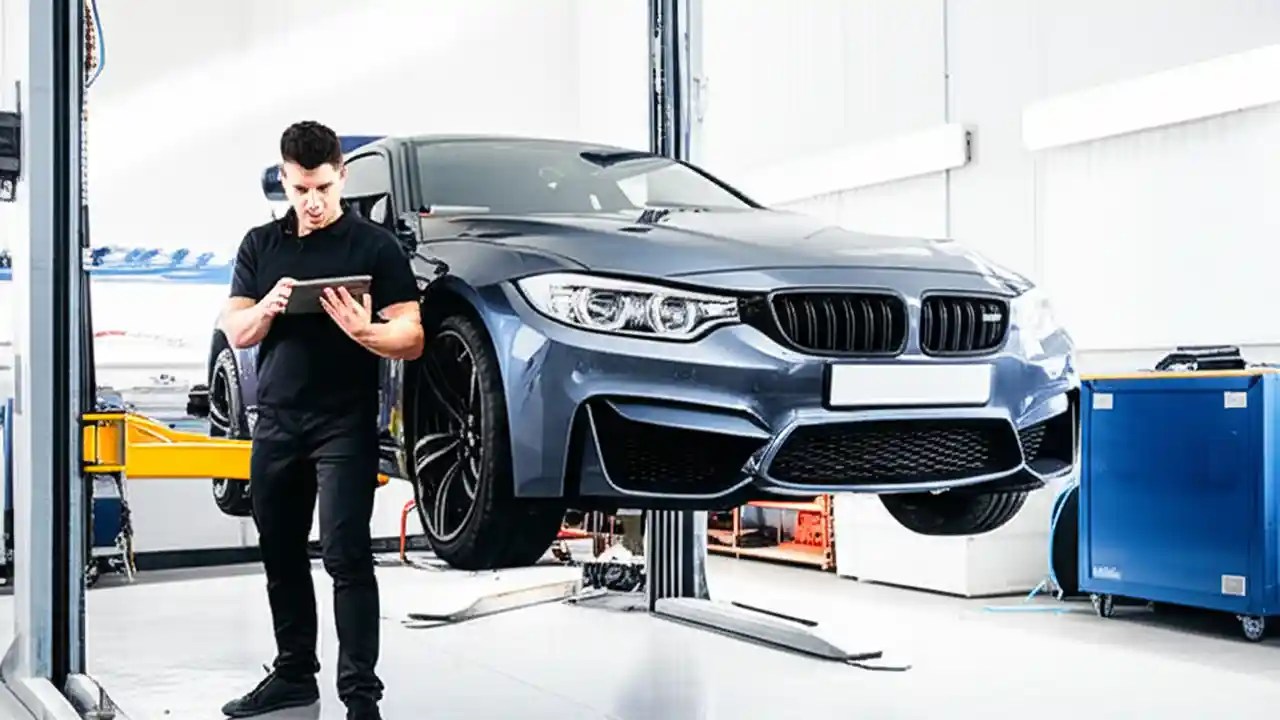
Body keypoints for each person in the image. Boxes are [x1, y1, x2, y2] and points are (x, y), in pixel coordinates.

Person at [217, 120, 423, 720]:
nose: (312, 202)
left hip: (344, 423)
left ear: (342, 178)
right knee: (280, 552)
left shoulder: (374, 246)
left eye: (324, 189)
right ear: (284, 179)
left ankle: (361, 698)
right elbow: (235, 328)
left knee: (346, 555)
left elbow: (410, 334)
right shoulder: (260, 245)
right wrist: (267, 308)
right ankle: (293, 677)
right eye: (300, 189)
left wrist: (365, 331)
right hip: (277, 421)